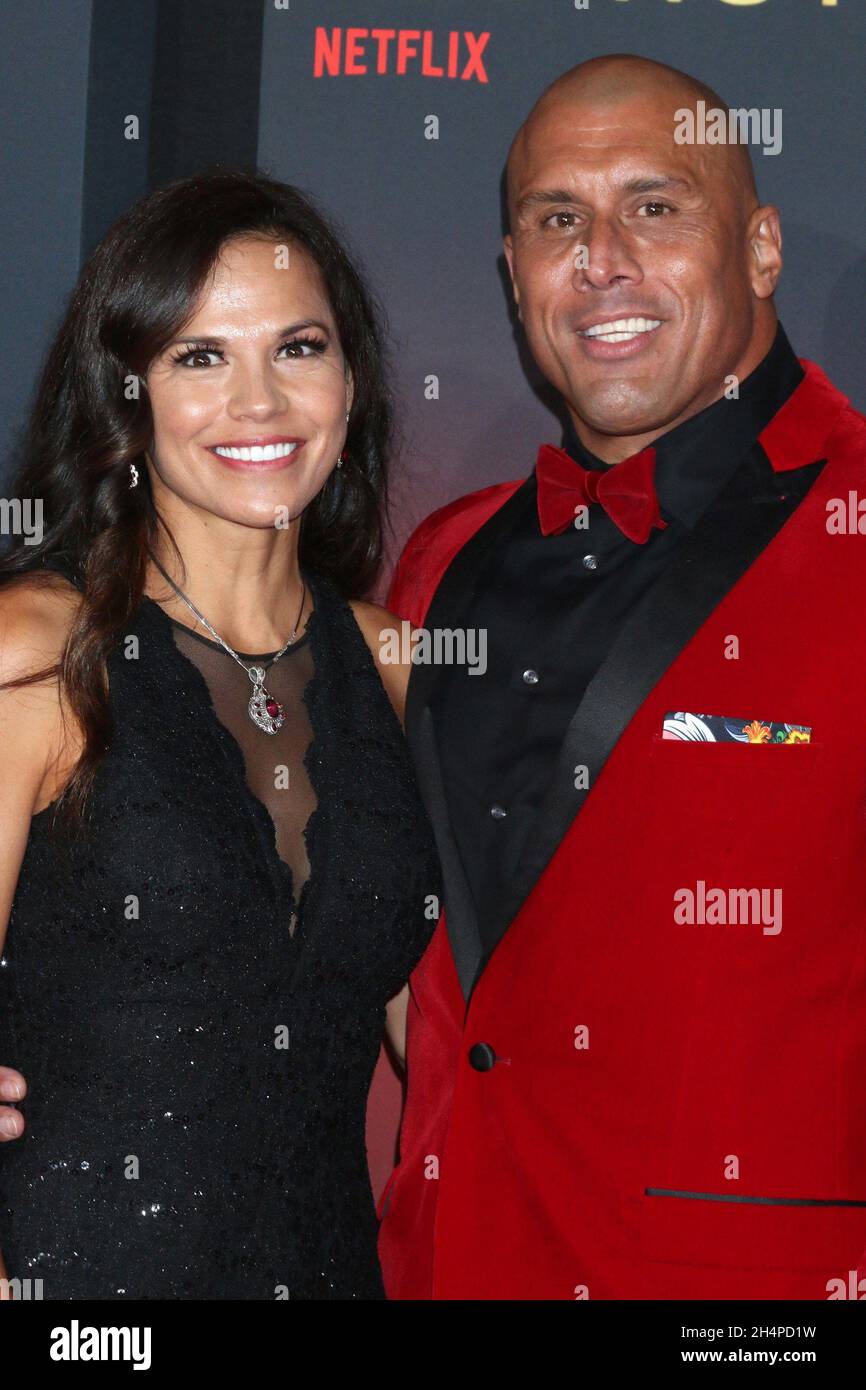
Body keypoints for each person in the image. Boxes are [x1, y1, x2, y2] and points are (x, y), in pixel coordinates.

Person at [376, 55, 866, 1299]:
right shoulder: (439, 560)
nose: (600, 258)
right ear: (512, 275)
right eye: (555, 220)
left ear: (758, 249)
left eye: (654, 206)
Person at [0, 168, 440, 1299]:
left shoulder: (392, 671)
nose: (261, 403)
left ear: (350, 380)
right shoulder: (37, 653)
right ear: (127, 395)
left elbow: (446, 1051)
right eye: (200, 356)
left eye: (297, 347)